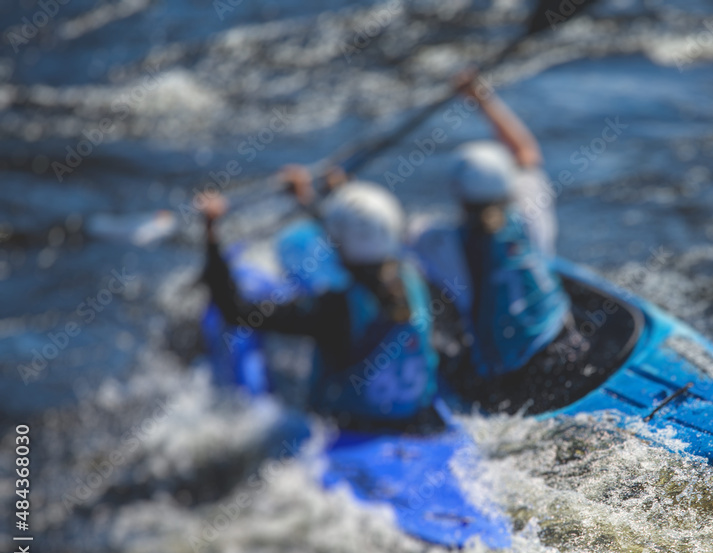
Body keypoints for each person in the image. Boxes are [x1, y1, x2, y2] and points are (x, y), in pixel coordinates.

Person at [198, 172, 440, 432]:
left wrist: (211, 233)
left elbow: (236, 311)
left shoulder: (332, 307)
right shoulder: (419, 280)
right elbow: (356, 236)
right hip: (418, 421)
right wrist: (308, 201)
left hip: (350, 428)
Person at [430, 71, 592, 408]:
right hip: (567, 346)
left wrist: (334, 191)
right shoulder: (532, 201)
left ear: (457, 195)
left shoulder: (437, 243)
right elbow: (525, 150)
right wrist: (481, 97)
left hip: (511, 380)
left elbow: (376, 243)